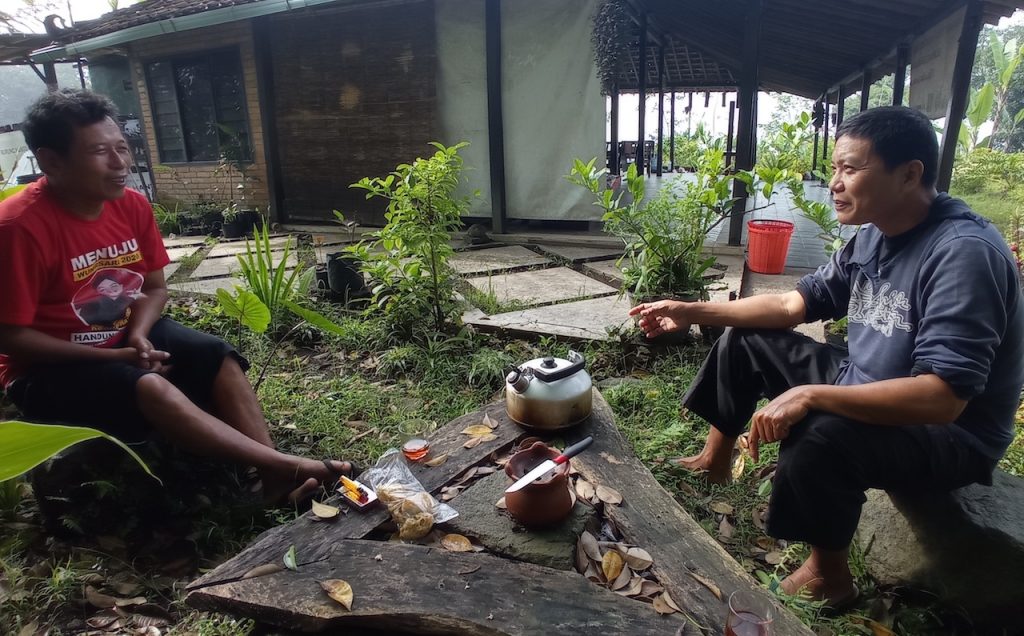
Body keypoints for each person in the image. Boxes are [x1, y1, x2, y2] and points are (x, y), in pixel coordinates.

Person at [630, 106, 1024, 608]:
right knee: (744, 337)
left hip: (952, 432)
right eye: (835, 168)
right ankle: (715, 459)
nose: (835, 183)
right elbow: (790, 305)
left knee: (820, 428)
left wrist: (813, 394)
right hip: (865, 378)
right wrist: (693, 311)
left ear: (910, 174)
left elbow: (942, 399)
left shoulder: (963, 253)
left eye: (850, 169)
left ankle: (828, 575)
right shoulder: (873, 236)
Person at [0, 89, 353, 505]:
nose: (120, 164)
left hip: (123, 335)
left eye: (123, 148)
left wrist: (138, 335)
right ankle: (286, 467)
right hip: (45, 369)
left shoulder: (131, 206)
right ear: (51, 160)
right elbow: (11, 337)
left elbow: (153, 287)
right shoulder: (18, 227)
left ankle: (271, 477)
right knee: (150, 386)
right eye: (100, 152)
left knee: (214, 354)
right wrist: (112, 357)